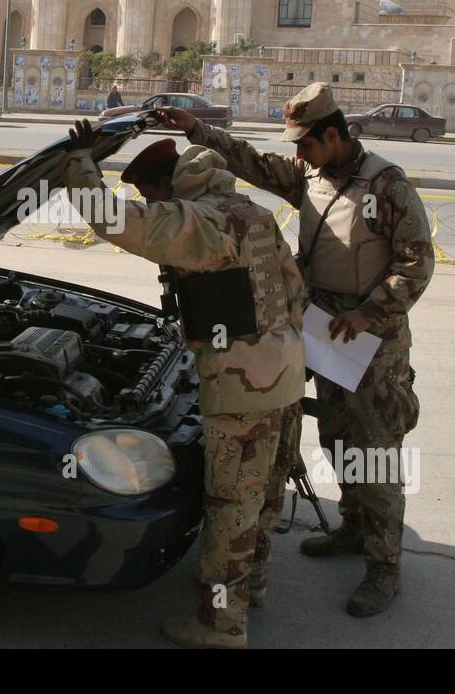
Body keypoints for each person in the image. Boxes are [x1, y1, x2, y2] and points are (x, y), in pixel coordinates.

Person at [156, 82, 434, 617]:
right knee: (336, 437)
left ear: (332, 135)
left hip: (372, 341)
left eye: (304, 143)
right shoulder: (312, 174)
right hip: (324, 331)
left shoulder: (387, 185)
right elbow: (251, 163)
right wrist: (196, 130)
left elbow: (416, 263)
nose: (296, 154)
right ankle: (354, 531)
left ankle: (384, 567)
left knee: (374, 452)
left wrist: (368, 313)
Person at [63, 122, 306, 649]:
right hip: (285, 375)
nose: (146, 202)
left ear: (168, 186)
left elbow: (114, 221)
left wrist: (80, 163)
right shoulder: (255, 214)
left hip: (243, 389)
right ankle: (254, 581)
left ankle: (221, 624)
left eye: (149, 193)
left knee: (230, 503)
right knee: (263, 493)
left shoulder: (201, 221)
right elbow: (294, 290)